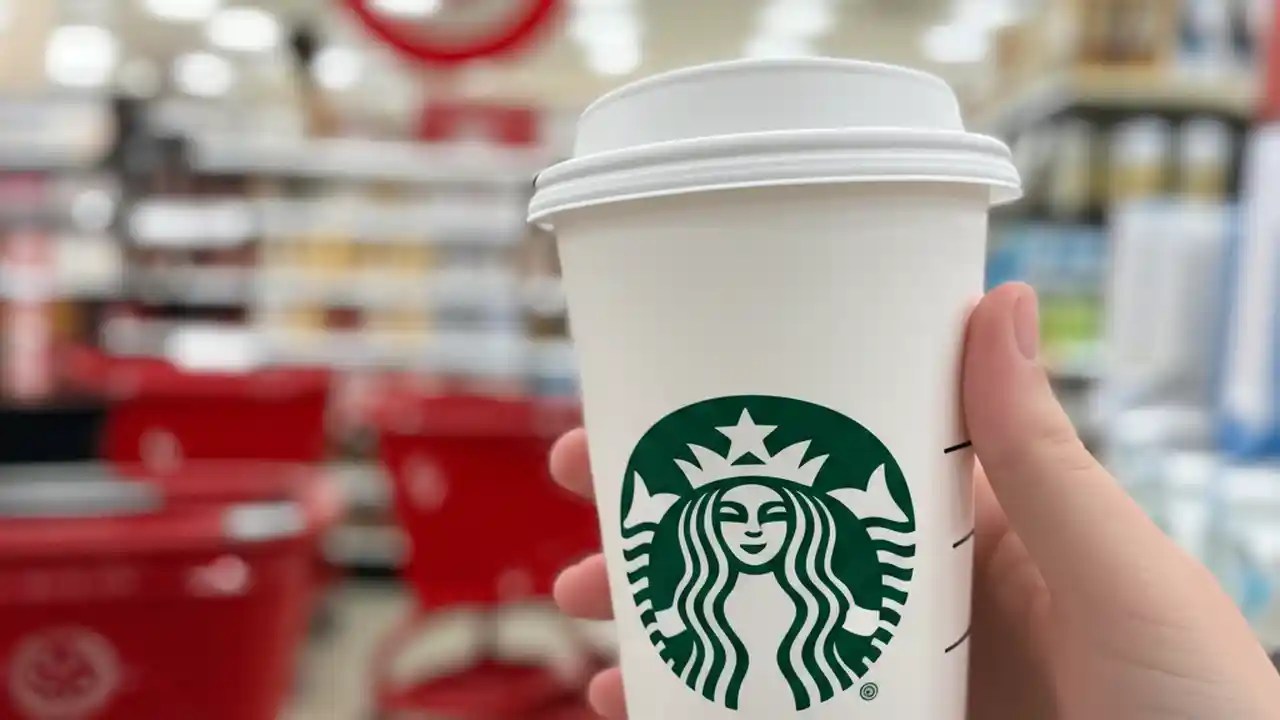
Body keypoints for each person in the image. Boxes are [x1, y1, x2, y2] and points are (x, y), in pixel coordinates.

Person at [548, 283, 1280, 719]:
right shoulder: (703, 615)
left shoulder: (829, 613)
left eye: (772, 511)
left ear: (807, 521)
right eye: (731, 513)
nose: (751, 530)